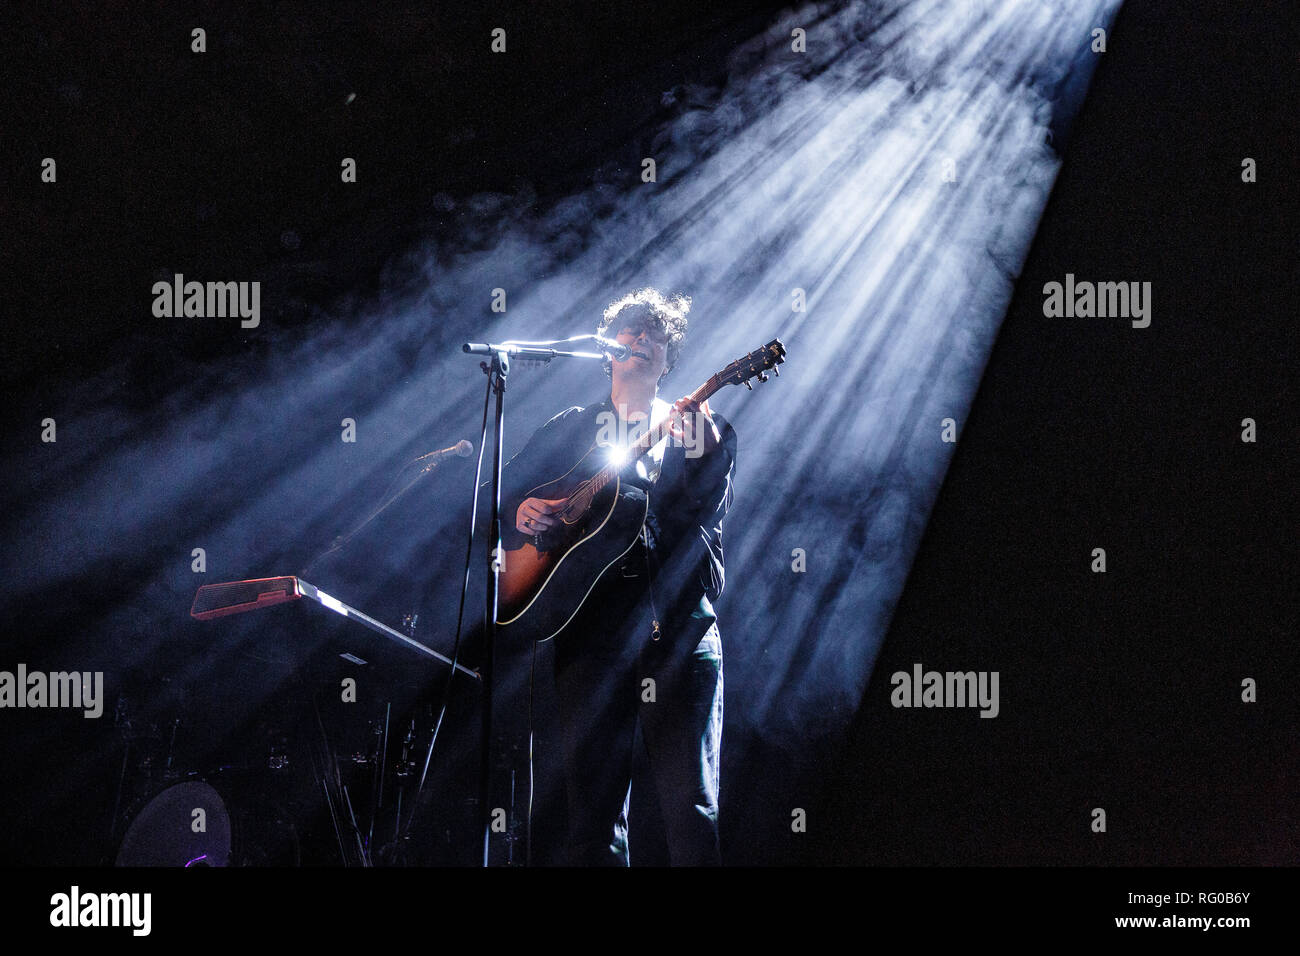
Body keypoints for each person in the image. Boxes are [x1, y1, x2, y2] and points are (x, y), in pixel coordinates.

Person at [499, 288, 737, 865]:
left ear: (669, 358)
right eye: (632, 330)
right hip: (591, 636)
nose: (643, 340)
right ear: (609, 348)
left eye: (656, 335)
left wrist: (700, 457)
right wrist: (523, 510)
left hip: (679, 635)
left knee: (692, 812)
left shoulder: (700, 428)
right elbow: (499, 498)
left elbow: (706, 520)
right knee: (593, 823)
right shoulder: (571, 426)